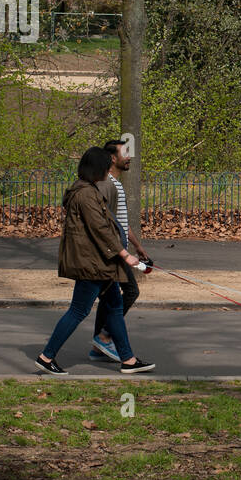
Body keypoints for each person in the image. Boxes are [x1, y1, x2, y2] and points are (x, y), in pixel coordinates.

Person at [35, 146, 155, 375]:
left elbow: (107, 226)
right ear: (97, 168)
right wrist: (125, 254)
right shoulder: (85, 195)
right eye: (105, 167)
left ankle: (128, 360)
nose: (108, 170)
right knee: (79, 311)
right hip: (92, 264)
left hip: (101, 263)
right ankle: (46, 356)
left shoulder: (88, 190)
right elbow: (100, 229)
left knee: (115, 306)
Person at [89, 139, 151, 363]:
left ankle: (99, 346)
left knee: (108, 298)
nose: (129, 157)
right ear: (113, 158)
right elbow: (106, 223)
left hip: (121, 249)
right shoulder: (108, 185)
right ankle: (104, 337)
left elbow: (121, 222)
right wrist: (122, 251)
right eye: (126, 153)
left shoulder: (115, 183)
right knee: (130, 292)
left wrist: (137, 245)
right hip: (115, 252)